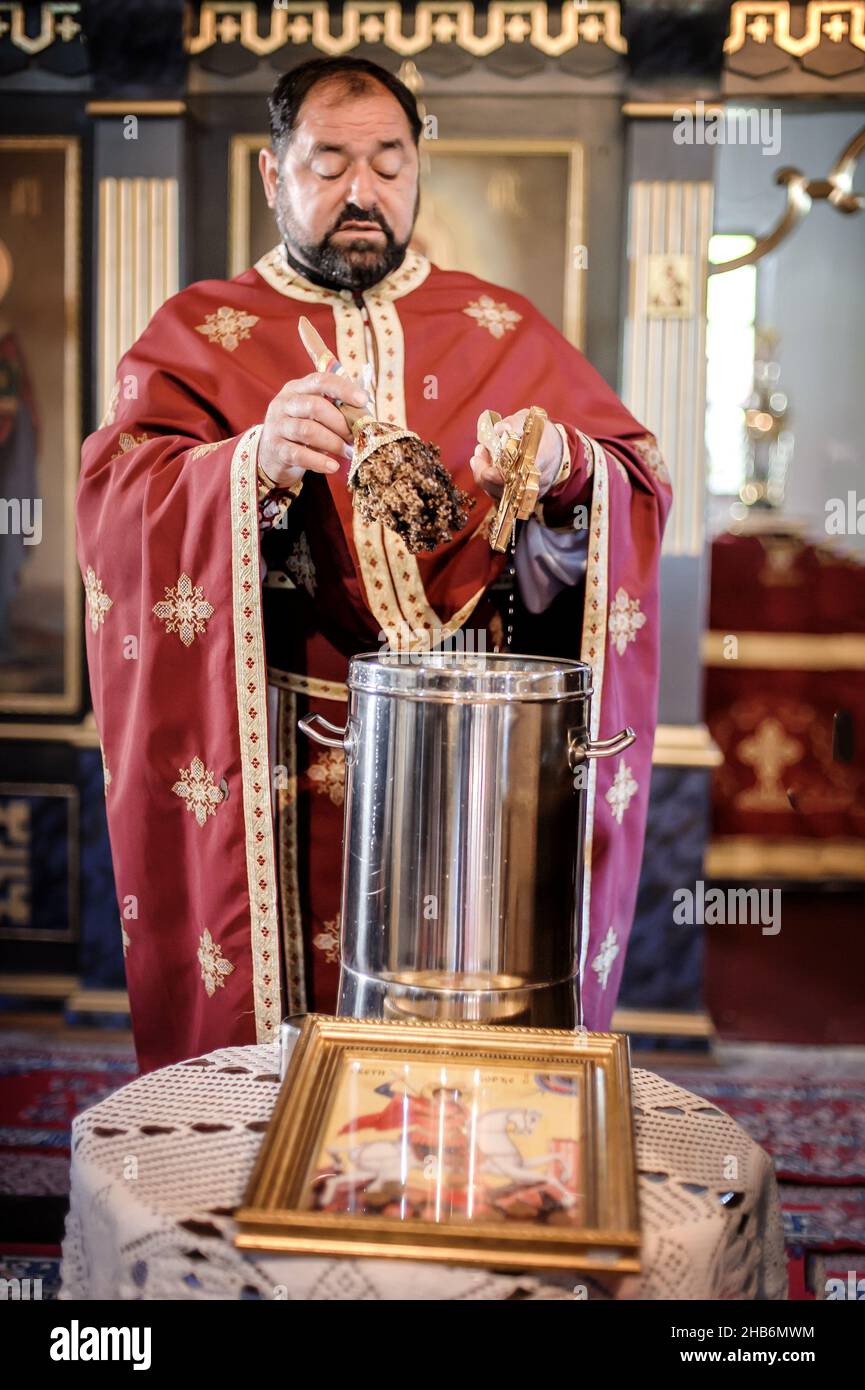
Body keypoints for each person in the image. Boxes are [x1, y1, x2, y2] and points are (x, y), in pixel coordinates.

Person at [77, 57, 671, 1072]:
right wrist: (248, 466)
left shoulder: (502, 325)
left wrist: (569, 471)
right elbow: (116, 503)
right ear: (274, 177)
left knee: (460, 1042)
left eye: (390, 164)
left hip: (474, 768)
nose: (364, 192)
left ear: (417, 169)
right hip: (275, 770)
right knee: (285, 1067)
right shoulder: (198, 331)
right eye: (331, 163)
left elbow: (635, 480)